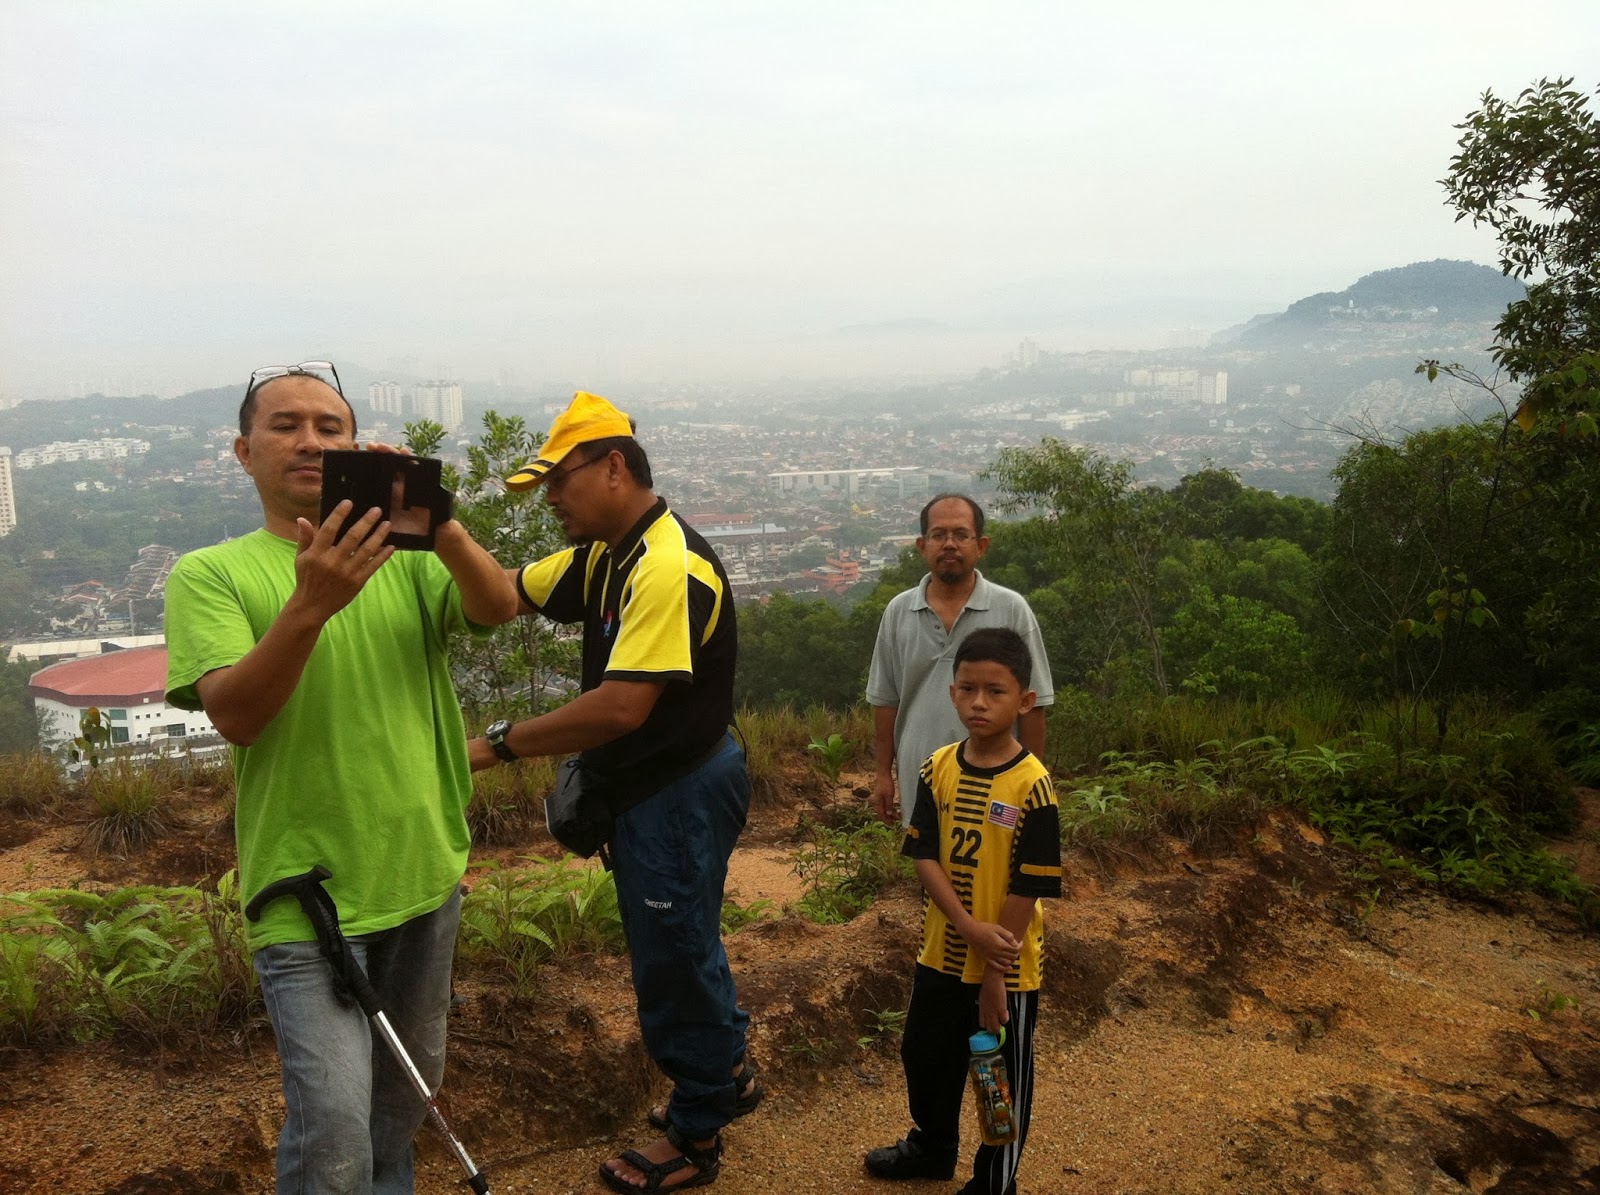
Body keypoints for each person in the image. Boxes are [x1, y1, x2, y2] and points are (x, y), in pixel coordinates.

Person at [163, 361, 519, 1194]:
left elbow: (498, 606)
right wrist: (310, 601)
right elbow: (238, 714)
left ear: (358, 446)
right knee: (332, 1132)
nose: (311, 441)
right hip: (303, 887)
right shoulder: (211, 575)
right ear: (244, 451)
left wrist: (441, 524)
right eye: (286, 425)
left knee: (400, 1109)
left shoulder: (411, 559)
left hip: (423, 870)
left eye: (331, 427)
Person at [467, 391, 754, 1193]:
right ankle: (724, 1066)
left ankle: (697, 1131)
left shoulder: (665, 563)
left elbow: (624, 704)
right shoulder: (605, 552)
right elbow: (503, 594)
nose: (552, 498)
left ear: (615, 467)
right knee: (686, 937)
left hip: (680, 788)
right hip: (660, 785)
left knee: (672, 956)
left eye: (559, 481)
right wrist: (442, 534)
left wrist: (495, 746)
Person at [866, 627, 1062, 1195]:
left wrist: (994, 972)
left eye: (996, 692)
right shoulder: (937, 768)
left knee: (998, 1078)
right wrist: (968, 926)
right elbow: (923, 852)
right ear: (951, 693)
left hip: (1005, 969)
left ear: (1024, 701)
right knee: (924, 1054)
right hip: (941, 954)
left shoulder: (1034, 786)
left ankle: (995, 1181)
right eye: (968, 689)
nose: (979, 702)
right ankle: (932, 1148)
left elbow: (1030, 884)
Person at [867, 493, 1055, 826]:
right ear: (922, 545)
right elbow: (885, 701)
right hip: (921, 774)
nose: (949, 544)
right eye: (939, 535)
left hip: (999, 775)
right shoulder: (898, 612)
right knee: (929, 864)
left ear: (981, 545)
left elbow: (1034, 703)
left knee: (997, 865)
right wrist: (884, 773)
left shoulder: (1011, 610)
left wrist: (1031, 780)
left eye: (961, 535)